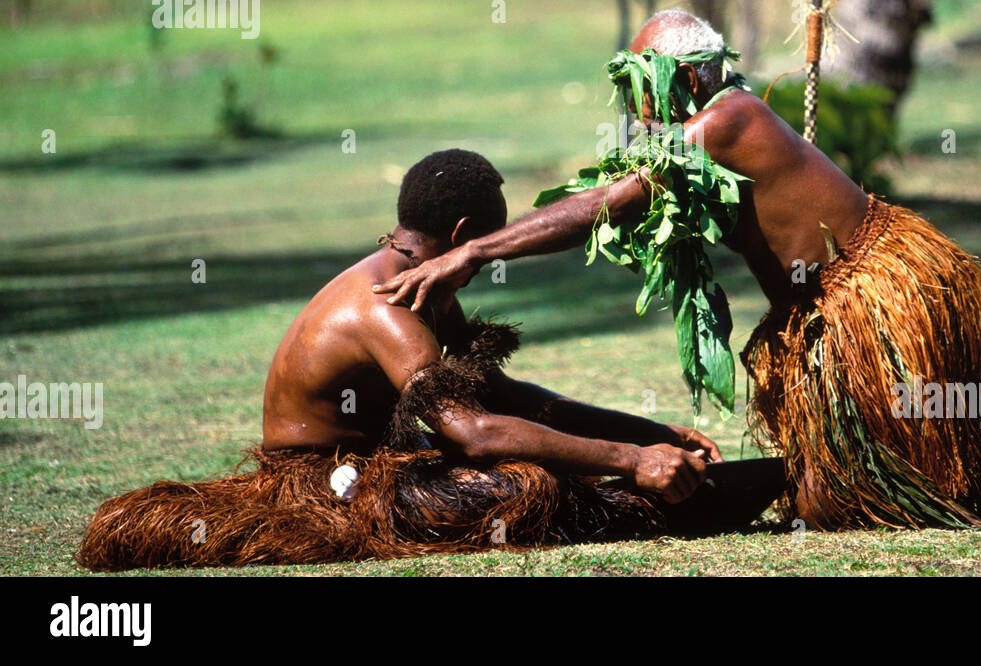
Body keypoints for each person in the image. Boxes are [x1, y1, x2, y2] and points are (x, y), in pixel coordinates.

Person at [375, 11, 981, 530]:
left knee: (857, 506)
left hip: (877, 297)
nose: (640, 111)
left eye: (647, 89)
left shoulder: (728, 121)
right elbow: (616, 205)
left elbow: (607, 203)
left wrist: (475, 250)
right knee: (834, 500)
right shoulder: (707, 136)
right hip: (829, 310)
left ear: (689, 77)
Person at [79, 149, 783, 571]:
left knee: (535, 477)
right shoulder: (387, 308)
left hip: (377, 469)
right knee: (525, 490)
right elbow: (472, 432)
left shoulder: (422, 280)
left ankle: (668, 492)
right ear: (463, 234)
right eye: (492, 240)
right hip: (328, 489)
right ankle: (659, 503)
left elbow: (503, 395)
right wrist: (630, 463)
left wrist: (644, 434)